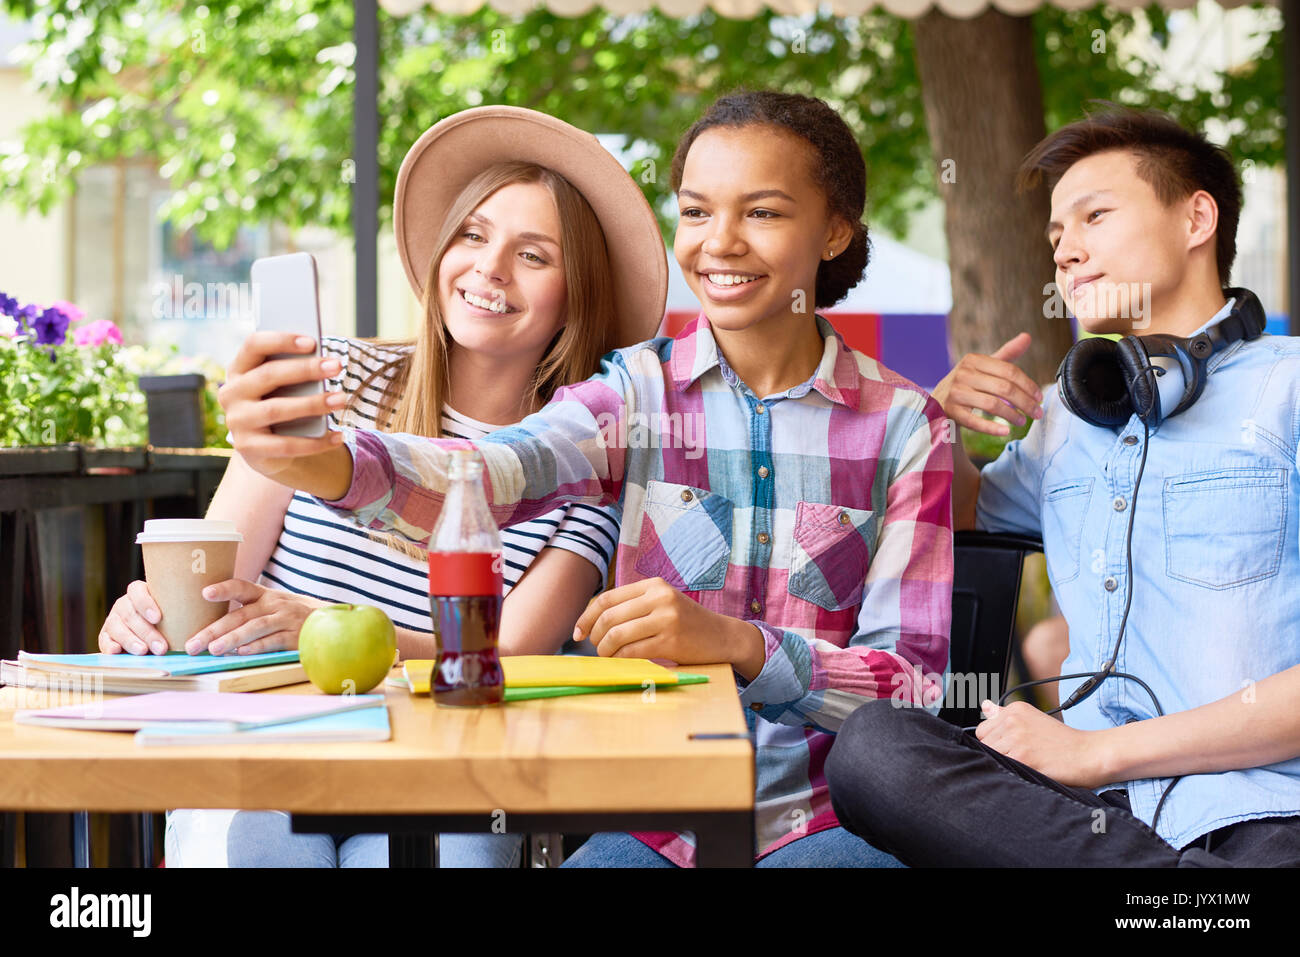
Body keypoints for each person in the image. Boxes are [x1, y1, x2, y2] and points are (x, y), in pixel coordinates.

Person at [219, 90, 955, 868]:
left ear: (834, 229)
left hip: (829, 825)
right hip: (654, 829)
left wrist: (738, 644)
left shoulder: (908, 425)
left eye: (763, 214)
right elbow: (490, 473)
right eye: (698, 212)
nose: (720, 244)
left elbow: (911, 687)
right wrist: (330, 463)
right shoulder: (634, 392)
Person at [97, 106, 669, 867]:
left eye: (533, 255)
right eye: (473, 234)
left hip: (445, 773)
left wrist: (330, 629)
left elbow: (513, 659)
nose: (489, 269)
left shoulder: (585, 463)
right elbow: (214, 587)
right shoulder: (335, 377)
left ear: (578, 295)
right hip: (263, 749)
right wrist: (149, 616)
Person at [826, 106, 1300, 866]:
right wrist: (933, 424)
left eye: (1095, 218)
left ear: (1197, 218)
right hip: (1096, 819)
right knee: (874, 749)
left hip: (1263, 809)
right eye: (1056, 238)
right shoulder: (1064, 419)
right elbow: (964, 511)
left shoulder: (1290, 386)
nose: (1068, 254)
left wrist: (1096, 752)